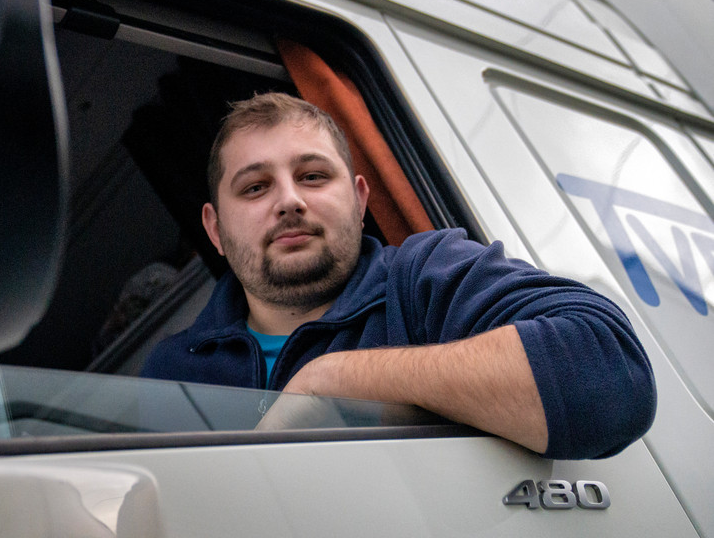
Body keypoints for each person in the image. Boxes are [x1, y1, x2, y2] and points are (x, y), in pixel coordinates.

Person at [140, 92, 656, 460]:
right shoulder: (172, 369)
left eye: (313, 176)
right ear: (214, 227)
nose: (290, 201)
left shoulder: (422, 277)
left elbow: (613, 374)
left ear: (360, 200)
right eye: (254, 188)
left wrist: (334, 382)